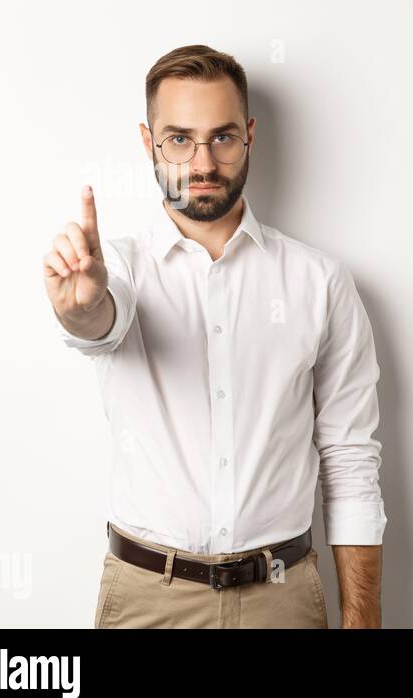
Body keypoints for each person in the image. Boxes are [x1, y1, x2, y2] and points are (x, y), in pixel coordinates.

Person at [42, 45, 386, 628]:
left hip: (283, 598)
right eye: (178, 139)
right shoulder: (120, 271)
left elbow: (350, 457)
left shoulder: (320, 282)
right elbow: (99, 323)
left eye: (222, 137)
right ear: (148, 144)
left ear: (249, 135)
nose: (202, 162)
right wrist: (80, 308)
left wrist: (363, 617)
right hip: (150, 599)